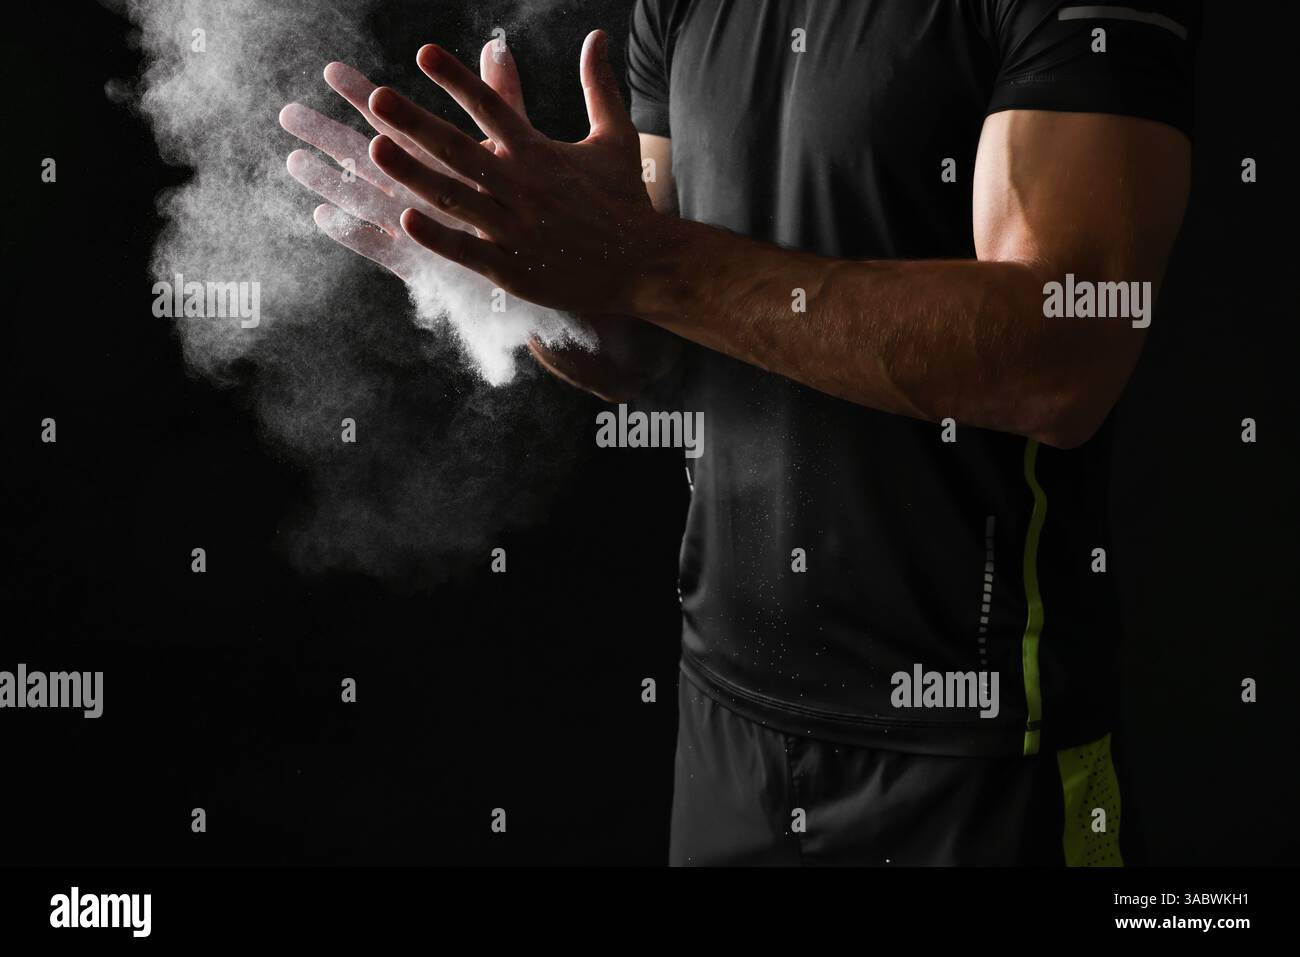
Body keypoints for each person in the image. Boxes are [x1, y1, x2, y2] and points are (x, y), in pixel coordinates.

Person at [282, 0, 1197, 865]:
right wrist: (518, 274)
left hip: (977, 743)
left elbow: (1061, 357)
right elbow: (649, 351)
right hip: (726, 724)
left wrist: (638, 261)